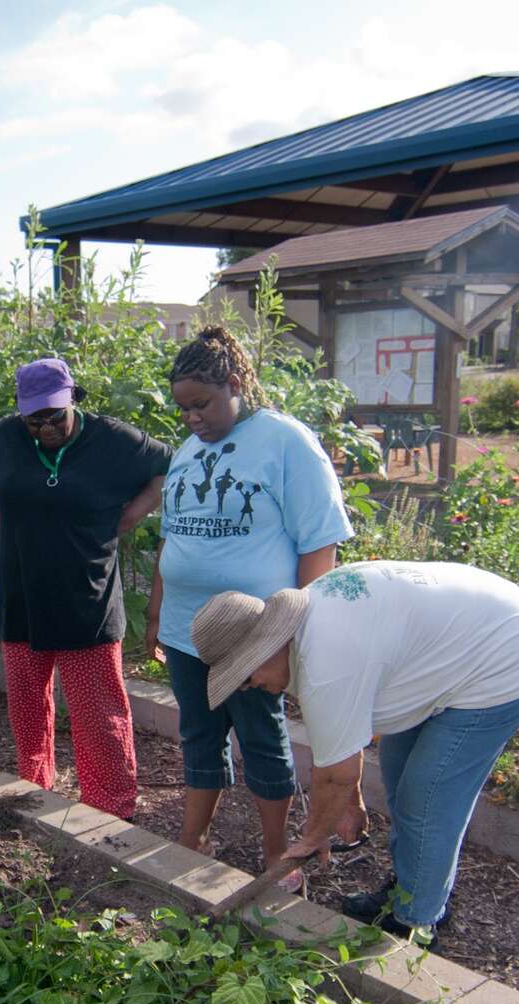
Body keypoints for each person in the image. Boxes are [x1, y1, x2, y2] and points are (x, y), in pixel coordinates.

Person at [191, 561, 519, 948]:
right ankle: (412, 888)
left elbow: (336, 774)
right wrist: (350, 804)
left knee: (427, 798)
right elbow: (343, 744)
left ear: (266, 648)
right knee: (399, 773)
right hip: (455, 646)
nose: (249, 688)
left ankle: (416, 925)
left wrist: (313, 837)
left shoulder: (326, 660)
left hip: (506, 657)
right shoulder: (309, 636)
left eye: (246, 677)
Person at [144, 326, 352, 882]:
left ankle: (277, 850)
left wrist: (287, 638)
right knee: (199, 734)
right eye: (183, 409)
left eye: (202, 404)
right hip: (186, 629)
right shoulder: (189, 451)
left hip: (254, 632)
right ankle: (194, 837)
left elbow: (319, 546)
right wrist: (158, 612)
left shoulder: (286, 442)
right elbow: (171, 537)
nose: (192, 418)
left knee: (262, 741)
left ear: (235, 384)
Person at [0, 358, 171, 818]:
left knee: (97, 710)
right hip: (21, 592)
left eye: (55, 416)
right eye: (34, 420)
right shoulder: (5, 438)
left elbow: (167, 466)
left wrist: (130, 516)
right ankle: (34, 786)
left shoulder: (112, 440)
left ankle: (110, 805)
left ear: (73, 400)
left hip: (87, 596)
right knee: (27, 703)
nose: (45, 428)